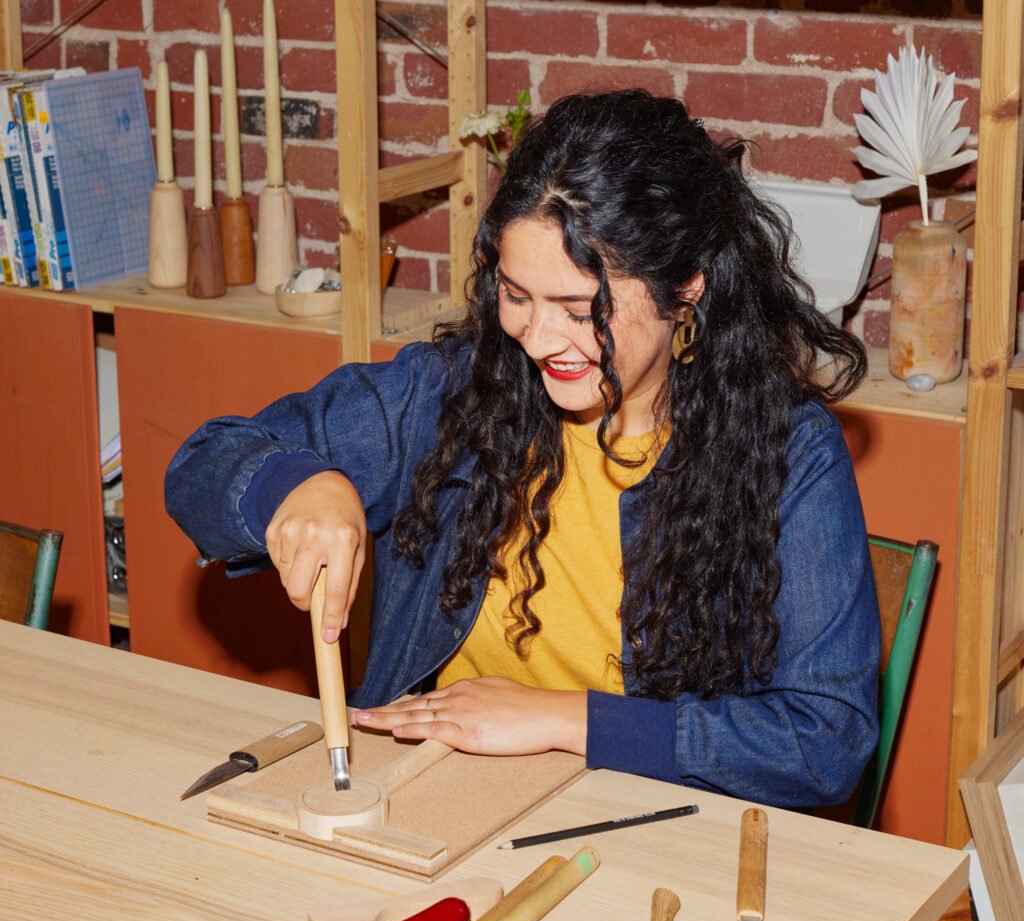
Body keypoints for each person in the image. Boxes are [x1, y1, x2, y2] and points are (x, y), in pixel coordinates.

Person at [165, 89, 880, 808]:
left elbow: (824, 742)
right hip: (430, 786)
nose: (537, 340)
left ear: (685, 289)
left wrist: (564, 719)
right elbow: (204, 461)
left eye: (579, 310)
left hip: (640, 820)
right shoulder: (453, 392)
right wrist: (295, 485)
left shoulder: (790, 454)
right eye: (516, 294)